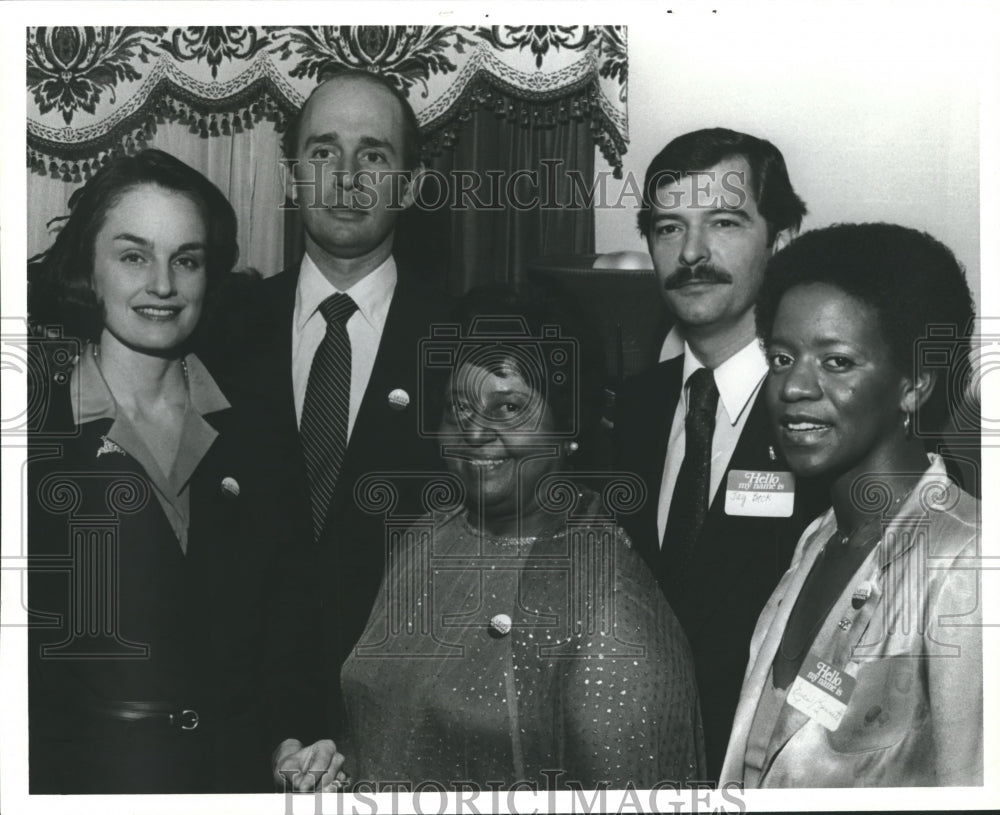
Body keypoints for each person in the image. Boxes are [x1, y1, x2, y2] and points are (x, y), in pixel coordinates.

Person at [288, 286, 701, 789]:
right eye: (458, 408)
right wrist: (330, 767)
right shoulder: (427, 537)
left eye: (508, 409)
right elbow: (387, 726)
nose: (476, 431)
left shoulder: (608, 603)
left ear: (569, 425)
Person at [26, 149, 332, 793]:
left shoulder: (259, 431)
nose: (162, 285)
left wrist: (292, 740)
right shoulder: (30, 439)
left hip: (236, 781)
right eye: (134, 255)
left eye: (186, 259)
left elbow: (295, 629)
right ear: (90, 267)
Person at [199, 69, 453, 780]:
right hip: (238, 743)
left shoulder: (462, 344)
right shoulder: (217, 330)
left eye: (373, 155)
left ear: (408, 182)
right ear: (292, 175)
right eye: (322, 152)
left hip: (408, 749)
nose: (345, 177)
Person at [721, 223, 982, 787]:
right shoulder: (817, 541)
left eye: (836, 361)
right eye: (783, 358)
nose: (793, 388)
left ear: (913, 385)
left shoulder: (968, 557)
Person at [613, 128, 830, 778]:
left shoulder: (827, 416)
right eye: (668, 228)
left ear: (782, 242)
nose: (692, 253)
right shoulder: (628, 410)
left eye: (725, 223)